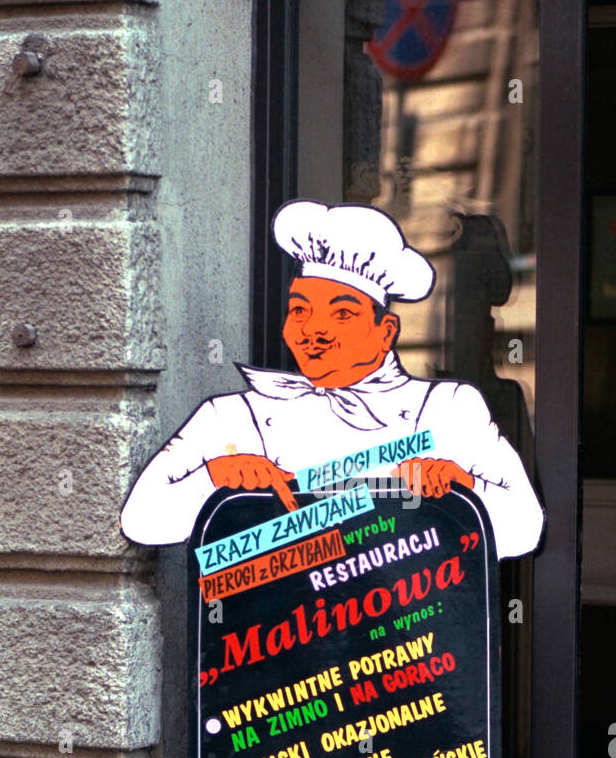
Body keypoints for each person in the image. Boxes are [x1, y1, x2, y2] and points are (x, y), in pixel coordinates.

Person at [120, 200, 544, 559]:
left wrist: (462, 487)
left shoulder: (445, 408)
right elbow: (142, 521)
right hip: (277, 644)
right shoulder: (234, 416)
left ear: (385, 333)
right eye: (300, 310)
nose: (313, 331)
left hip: (409, 638)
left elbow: (523, 530)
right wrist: (214, 478)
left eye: (342, 314)